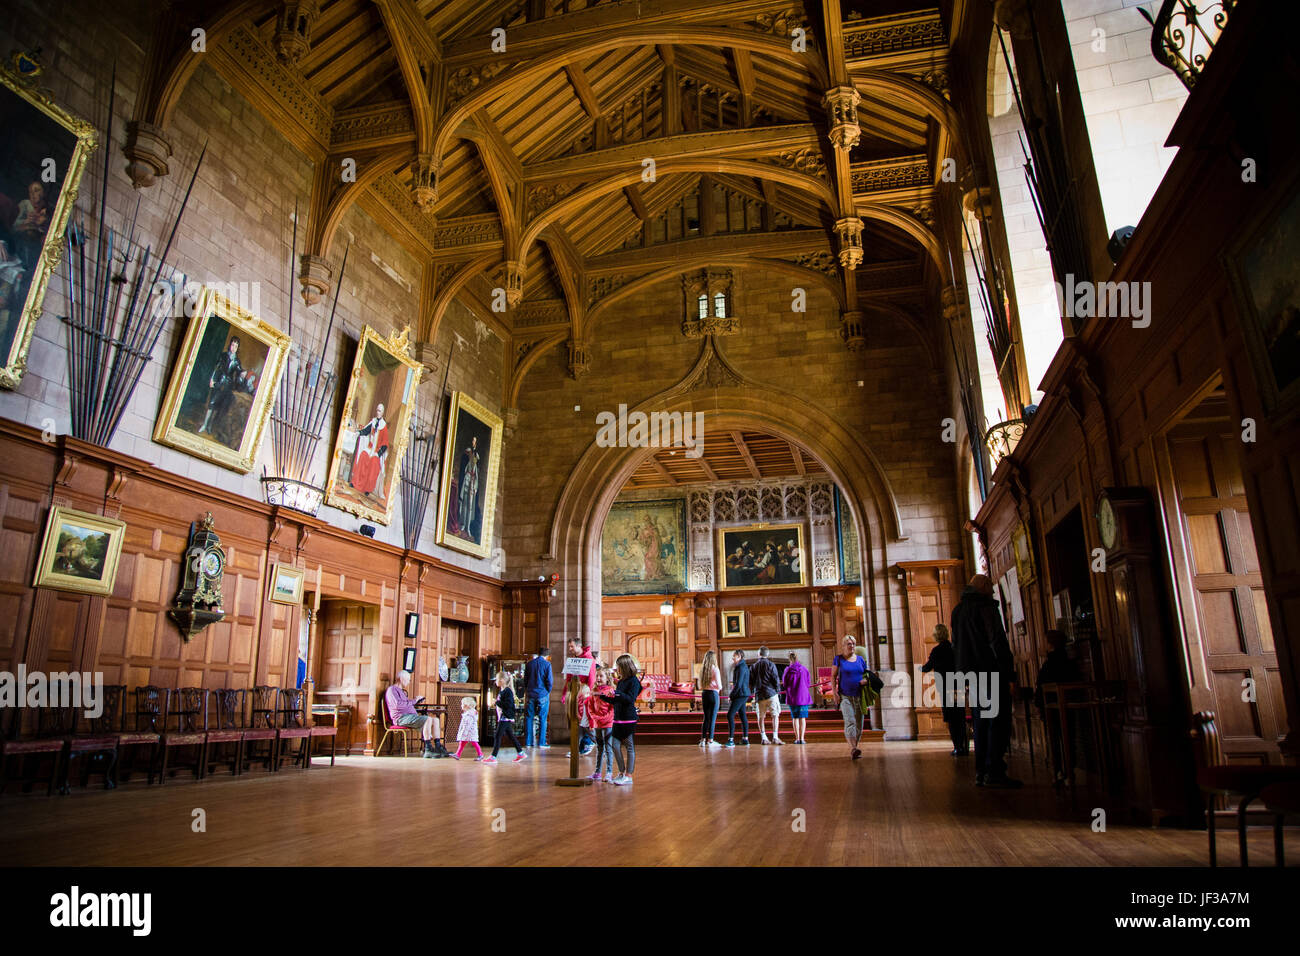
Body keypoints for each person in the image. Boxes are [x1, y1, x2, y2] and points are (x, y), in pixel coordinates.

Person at [951, 573, 1021, 788]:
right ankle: (995, 771)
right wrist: (1009, 674)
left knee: (981, 722)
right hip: (991, 671)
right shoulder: (986, 607)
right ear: (983, 587)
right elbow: (996, 641)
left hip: (971, 674)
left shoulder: (958, 610)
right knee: (998, 722)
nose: (992, 591)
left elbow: (957, 645)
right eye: (990, 587)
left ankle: (981, 771)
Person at [1035, 629, 1082, 784]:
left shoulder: (1048, 665)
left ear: (1050, 644)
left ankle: (1058, 772)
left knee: (1054, 740)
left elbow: (1041, 687)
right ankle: (1070, 771)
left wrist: (1040, 707)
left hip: (1051, 708)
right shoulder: (1069, 663)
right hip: (1069, 706)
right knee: (1070, 738)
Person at [921, 623, 968, 756]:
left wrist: (920, 668)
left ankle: (957, 747)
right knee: (960, 716)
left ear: (936, 635)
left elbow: (927, 667)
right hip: (958, 686)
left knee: (952, 718)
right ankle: (964, 747)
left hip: (946, 688)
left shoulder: (936, 651)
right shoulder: (954, 648)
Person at [384, 670, 447, 758]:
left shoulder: (401, 691)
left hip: (409, 716)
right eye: (408, 680)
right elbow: (398, 705)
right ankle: (428, 749)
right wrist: (414, 701)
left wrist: (415, 700)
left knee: (435, 720)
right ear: (402, 679)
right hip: (401, 718)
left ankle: (438, 747)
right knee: (427, 719)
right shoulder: (392, 690)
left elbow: (405, 703)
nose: (409, 682)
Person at [601, 653, 641, 786]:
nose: (616, 669)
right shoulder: (621, 681)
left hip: (628, 718)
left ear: (624, 666)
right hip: (618, 718)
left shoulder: (634, 681)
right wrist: (602, 696)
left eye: (618, 666)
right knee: (615, 745)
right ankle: (621, 772)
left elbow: (630, 699)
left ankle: (629, 775)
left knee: (629, 746)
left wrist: (617, 693)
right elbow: (617, 699)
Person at [832, 636, 869, 759]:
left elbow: (866, 675)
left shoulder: (860, 660)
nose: (851, 646)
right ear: (843, 646)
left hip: (860, 696)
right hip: (845, 696)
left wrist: (865, 681)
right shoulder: (839, 659)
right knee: (850, 722)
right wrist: (835, 693)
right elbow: (833, 676)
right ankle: (853, 748)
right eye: (848, 644)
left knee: (859, 724)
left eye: (853, 644)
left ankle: (855, 747)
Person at [199, 337, 244, 437]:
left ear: (237, 348)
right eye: (232, 345)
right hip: (219, 381)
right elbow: (216, 367)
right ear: (230, 345)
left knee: (217, 407)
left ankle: (210, 426)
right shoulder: (223, 355)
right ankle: (204, 425)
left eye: (236, 346)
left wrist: (242, 375)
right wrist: (212, 379)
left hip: (227, 386)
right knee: (212, 403)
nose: (233, 348)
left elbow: (240, 372)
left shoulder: (237, 361)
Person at [560, 637, 596, 755]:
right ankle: (575, 749)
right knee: (575, 722)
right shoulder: (572, 660)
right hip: (574, 694)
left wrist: (589, 693)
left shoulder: (589, 658)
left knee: (583, 722)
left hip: (584, 694)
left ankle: (598, 744)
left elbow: (591, 678)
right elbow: (569, 679)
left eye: (572, 646)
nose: (570, 649)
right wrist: (565, 694)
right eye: (569, 646)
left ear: (579, 646)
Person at [483, 671, 527, 764]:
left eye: (497, 679)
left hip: (505, 717)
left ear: (502, 680)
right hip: (503, 716)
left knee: (498, 736)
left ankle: (493, 756)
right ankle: (521, 752)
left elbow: (508, 704)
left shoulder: (507, 691)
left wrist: (497, 702)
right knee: (511, 736)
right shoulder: (503, 691)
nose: (496, 681)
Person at [583, 666, 616, 781]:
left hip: (608, 724)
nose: (598, 678)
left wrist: (604, 718)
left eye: (601, 676)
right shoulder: (594, 691)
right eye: (597, 675)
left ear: (607, 678)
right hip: (597, 723)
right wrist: (595, 717)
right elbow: (590, 707)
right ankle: (597, 772)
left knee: (608, 748)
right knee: (599, 748)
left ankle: (609, 772)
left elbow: (612, 708)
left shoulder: (611, 691)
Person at [349, 403, 389, 495]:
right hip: (369, 448)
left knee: (374, 463)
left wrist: (378, 454)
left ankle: (367, 489)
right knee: (363, 456)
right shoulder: (373, 421)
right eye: (377, 410)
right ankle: (355, 483)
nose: (378, 412)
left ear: (382, 412)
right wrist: (359, 433)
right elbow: (366, 431)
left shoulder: (384, 426)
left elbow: (385, 444)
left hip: (376, 451)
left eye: (380, 411)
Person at [750, 646, 783, 744]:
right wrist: (778, 691)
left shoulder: (753, 666)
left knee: (760, 717)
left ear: (758, 654)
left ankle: (764, 738)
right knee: (775, 715)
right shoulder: (771, 665)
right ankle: (775, 737)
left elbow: (751, 682)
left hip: (759, 694)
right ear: (767, 654)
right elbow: (775, 679)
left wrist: (753, 692)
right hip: (771, 693)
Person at [523, 646, 553, 748]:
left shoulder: (529, 664)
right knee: (542, 718)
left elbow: (525, 680)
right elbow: (549, 681)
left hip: (531, 693)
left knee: (529, 718)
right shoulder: (547, 664)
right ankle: (541, 742)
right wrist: (547, 691)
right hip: (542, 694)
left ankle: (528, 742)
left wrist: (527, 690)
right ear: (547, 655)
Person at [782, 652, 812, 744]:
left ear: (789, 659)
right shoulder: (804, 669)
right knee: (802, 718)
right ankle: (802, 739)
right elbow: (808, 683)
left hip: (793, 696)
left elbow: (785, 684)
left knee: (795, 718)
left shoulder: (787, 670)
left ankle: (797, 738)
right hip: (803, 696)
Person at [455, 435, 481, 538]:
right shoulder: (468, 452)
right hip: (467, 479)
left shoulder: (476, 455)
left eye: (475, 441)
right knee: (465, 503)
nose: (473, 442)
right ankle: (463, 524)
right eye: (472, 440)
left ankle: (468, 527)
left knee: (470, 506)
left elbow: (476, 471)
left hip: (473, 481)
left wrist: (475, 485)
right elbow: (465, 467)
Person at [725, 650, 751, 747]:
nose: (733, 658)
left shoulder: (741, 667)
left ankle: (731, 740)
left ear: (739, 656)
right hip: (743, 694)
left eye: (734, 656)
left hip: (741, 694)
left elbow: (738, 684)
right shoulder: (742, 666)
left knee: (730, 715)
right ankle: (745, 739)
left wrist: (731, 696)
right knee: (742, 715)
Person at [697, 650, 722, 748]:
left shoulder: (702, 670)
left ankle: (702, 740)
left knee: (706, 718)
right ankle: (710, 740)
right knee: (713, 718)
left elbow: (699, 685)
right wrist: (714, 685)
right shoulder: (715, 669)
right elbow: (720, 686)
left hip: (704, 694)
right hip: (713, 694)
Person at [452, 696, 482, 760]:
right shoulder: (468, 713)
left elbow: (467, 725)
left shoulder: (469, 715)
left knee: (474, 742)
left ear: (467, 705)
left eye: (462, 704)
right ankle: (457, 754)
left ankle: (480, 754)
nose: (461, 705)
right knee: (462, 742)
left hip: (470, 732)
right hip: (468, 732)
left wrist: (464, 732)